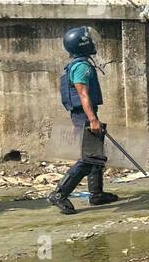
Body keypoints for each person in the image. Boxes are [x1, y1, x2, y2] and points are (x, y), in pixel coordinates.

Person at [49, 27, 122, 215]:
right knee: (88, 159)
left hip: (84, 114)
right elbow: (83, 94)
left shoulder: (78, 64)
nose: (93, 42)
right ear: (82, 44)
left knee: (96, 154)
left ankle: (96, 194)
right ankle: (59, 194)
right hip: (84, 115)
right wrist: (93, 119)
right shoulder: (81, 66)